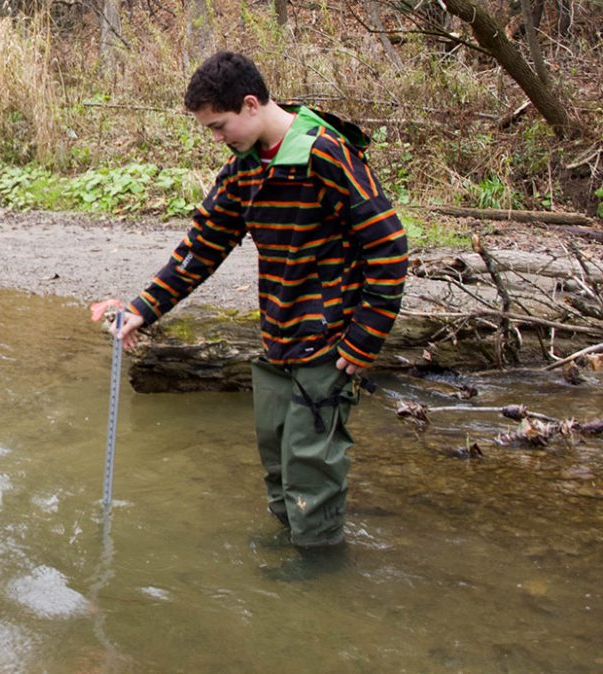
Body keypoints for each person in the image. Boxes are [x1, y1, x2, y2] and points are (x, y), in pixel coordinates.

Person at [89, 51, 409, 552]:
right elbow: (201, 247)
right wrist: (142, 309)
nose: (217, 138)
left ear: (251, 104)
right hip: (277, 341)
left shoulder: (326, 153)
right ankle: (290, 555)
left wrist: (364, 340)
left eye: (219, 126)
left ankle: (317, 571)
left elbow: (389, 247)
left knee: (312, 475)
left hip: (329, 347)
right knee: (279, 469)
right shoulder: (244, 168)